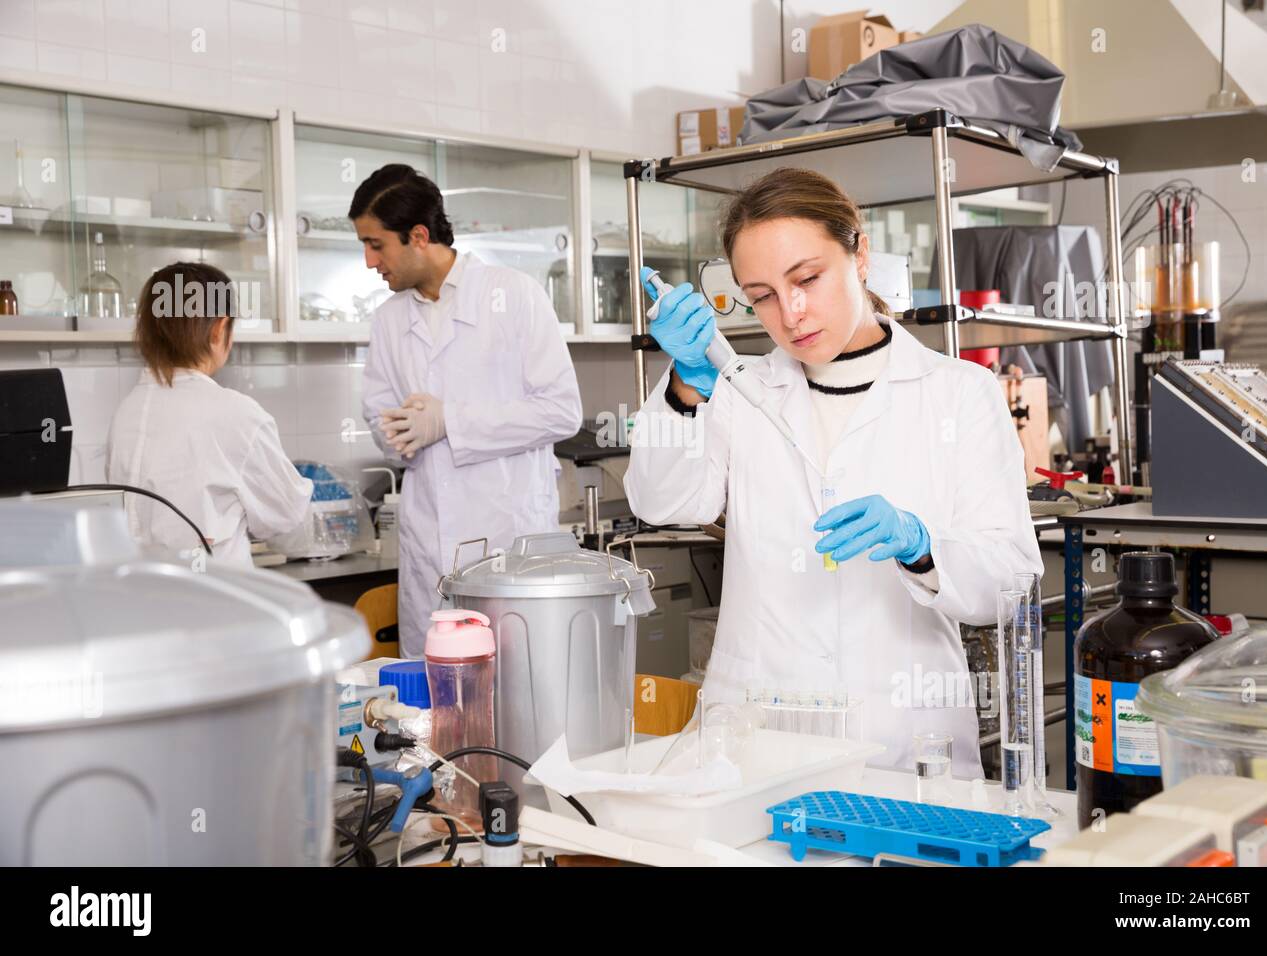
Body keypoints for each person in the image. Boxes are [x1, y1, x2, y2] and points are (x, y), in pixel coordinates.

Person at [625, 168, 1042, 776]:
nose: (790, 313)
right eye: (762, 294)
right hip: (753, 741)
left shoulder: (961, 395)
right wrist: (686, 385)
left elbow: (1014, 579)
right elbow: (662, 502)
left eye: (808, 278)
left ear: (860, 253)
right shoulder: (739, 389)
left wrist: (921, 548)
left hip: (904, 742)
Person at [353, 164, 583, 657]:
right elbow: (378, 414)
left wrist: (450, 420)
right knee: (434, 707)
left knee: (517, 694)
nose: (370, 261)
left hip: (507, 545)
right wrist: (395, 431)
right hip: (428, 552)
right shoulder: (389, 320)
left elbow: (561, 411)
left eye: (376, 244)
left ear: (418, 235)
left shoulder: (514, 294)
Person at [107, 262, 311, 566]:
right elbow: (290, 521)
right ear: (219, 329)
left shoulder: (127, 411)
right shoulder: (236, 414)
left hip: (140, 599)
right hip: (215, 604)